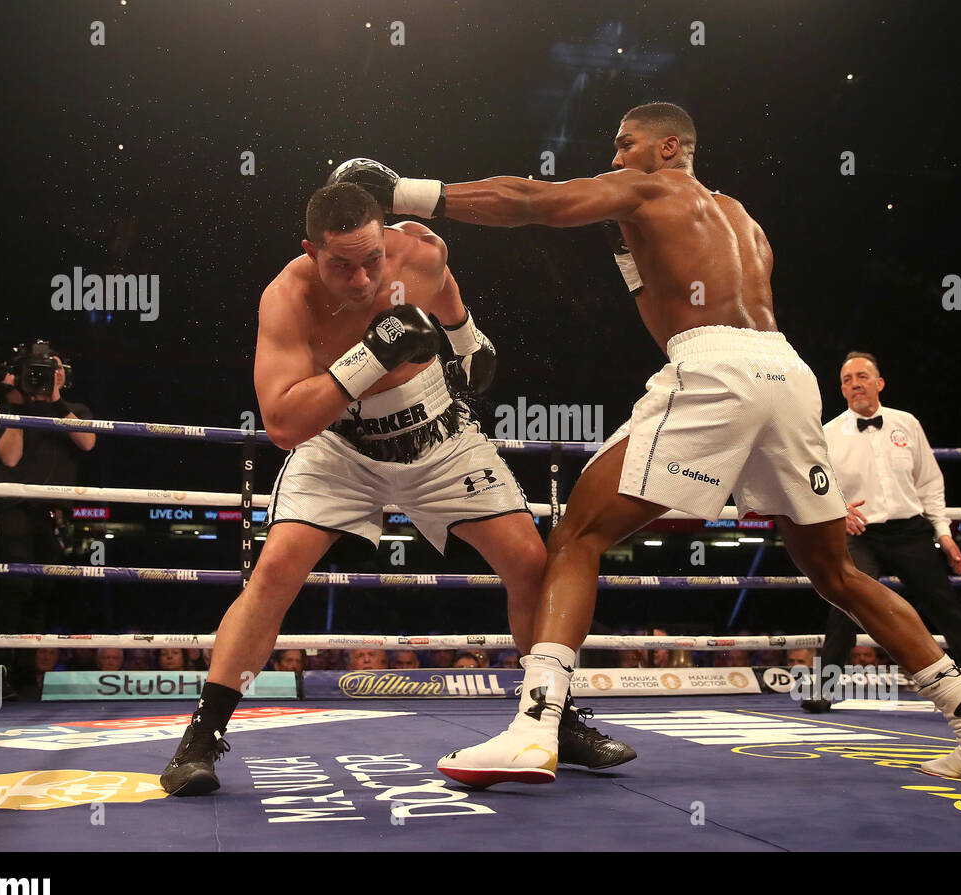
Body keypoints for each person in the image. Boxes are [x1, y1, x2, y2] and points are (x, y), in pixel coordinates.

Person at [350, 100, 961, 784]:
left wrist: (404, 192)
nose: (615, 159)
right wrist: (629, 250)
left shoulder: (653, 186)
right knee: (837, 573)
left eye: (626, 144)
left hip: (715, 366)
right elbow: (671, 297)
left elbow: (536, 200)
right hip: (787, 373)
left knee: (577, 536)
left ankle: (533, 728)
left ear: (670, 146)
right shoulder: (744, 220)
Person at [160, 183, 633, 796]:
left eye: (370, 260)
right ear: (310, 251)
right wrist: (369, 356)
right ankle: (201, 737)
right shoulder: (287, 298)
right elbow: (281, 424)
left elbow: (448, 293)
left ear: (386, 237)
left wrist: (465, 337)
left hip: (439, 436)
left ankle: (553, 719)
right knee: (275, 571)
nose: (360, 280)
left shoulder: (419, 255)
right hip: (341, 446)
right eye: (340, 265)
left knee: (530, 565)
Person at [804, 352, 961, 711]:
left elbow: (929, 482)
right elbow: (819, 484)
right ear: (841, 389)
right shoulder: (829, 433)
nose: (855, 383)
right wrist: (839, 509)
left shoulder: (907, 423)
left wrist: (943, 533)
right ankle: (823, 689)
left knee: (946, 607)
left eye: (862, 376)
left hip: (910, 531)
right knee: (846, 602)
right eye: (848, 379)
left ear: (879, 383)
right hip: (859, 532)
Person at [0, 343, 96, 635]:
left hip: (54, 512)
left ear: (64, 374)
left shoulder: (75, 410)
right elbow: (10, 457)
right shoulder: (10, 409)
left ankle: (25, 674)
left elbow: (87, 442)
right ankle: (0, 665)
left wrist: (55, 401)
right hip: (15, 505)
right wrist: (18, 407)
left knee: (43, 589)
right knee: (18, 582)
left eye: (54, 367)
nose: (48, 373)